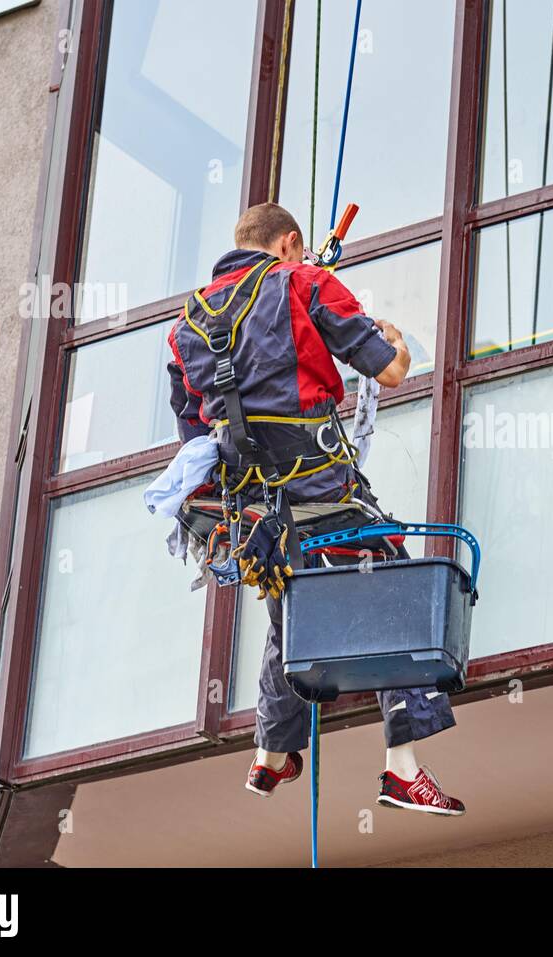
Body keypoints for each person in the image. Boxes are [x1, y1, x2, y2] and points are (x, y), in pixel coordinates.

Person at [165, 203, 464, 815]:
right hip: (320, 485)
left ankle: (272, 755)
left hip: (252, 509)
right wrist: (393, 338)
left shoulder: (187, 324)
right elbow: (394, 373)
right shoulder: (303, 281)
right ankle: (402, 767)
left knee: (294, 606)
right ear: (291, 243)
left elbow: (194, 431)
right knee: (392, 587)